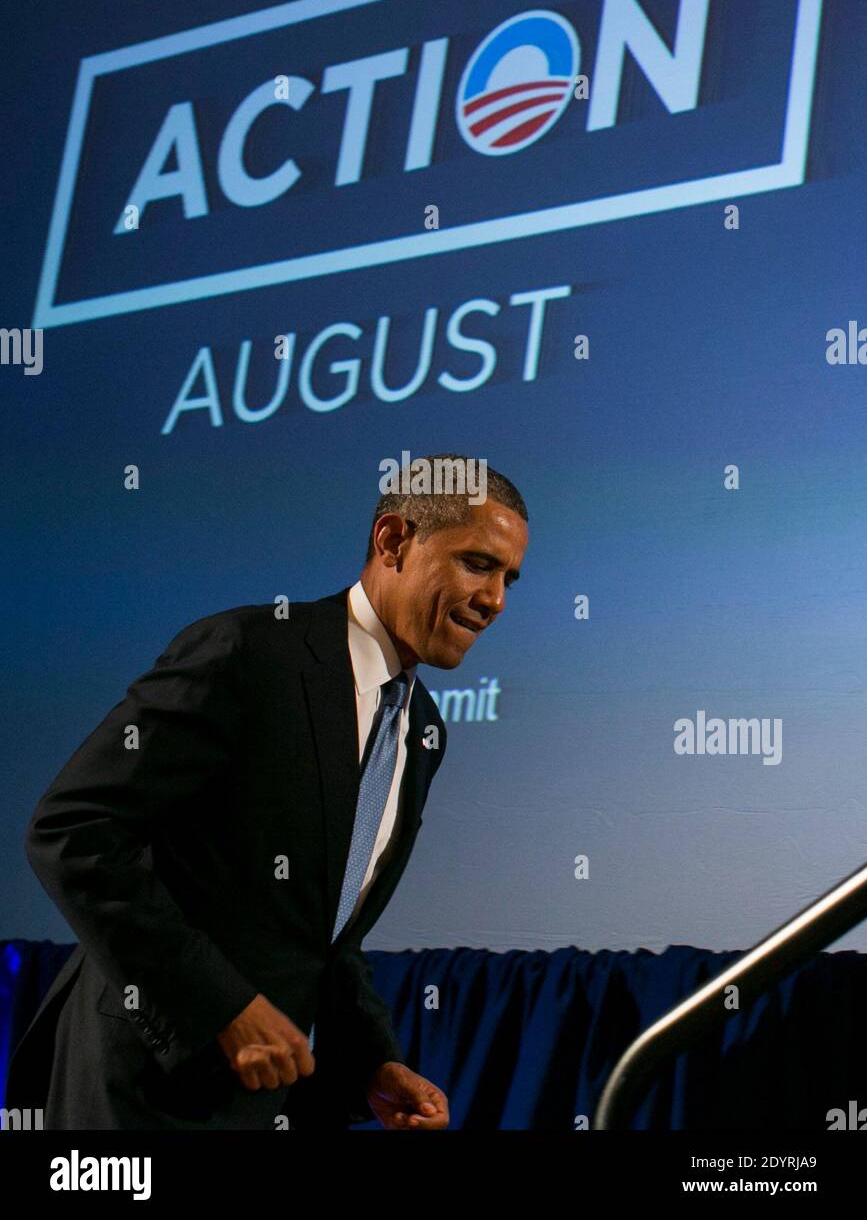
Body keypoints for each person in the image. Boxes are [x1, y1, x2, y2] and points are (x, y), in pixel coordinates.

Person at [5, 455, 529, 1129]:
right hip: (140, 1082)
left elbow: (321, 932)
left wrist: (372, 1061)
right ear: (393, 540)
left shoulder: (422, 728)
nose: (496, 600)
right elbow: (73, 832)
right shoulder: (248, 653)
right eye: (478, 564)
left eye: (509, 578)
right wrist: (217, 1007)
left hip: (261, 1098)